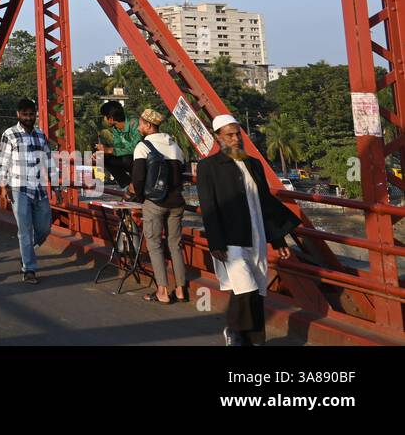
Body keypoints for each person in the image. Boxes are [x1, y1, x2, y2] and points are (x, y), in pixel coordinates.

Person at [198, 113, 300, 345]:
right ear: (218, 138)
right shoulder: (208, 167)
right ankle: (234, 332)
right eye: (230, 135)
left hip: (257, 235)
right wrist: (215, 242)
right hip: (230, 237)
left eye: (238, 134)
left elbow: (265, 202)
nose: (236, 139)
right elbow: (209, 206)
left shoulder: (253, 164)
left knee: (257, 288)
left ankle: (254, 337)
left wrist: (278, 239)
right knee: (245, 287)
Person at [128, 108, 188, 304]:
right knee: (175, 245)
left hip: (155, 203)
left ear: (148, 125)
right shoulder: (175, 146)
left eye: (140, 123)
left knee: (154, 245)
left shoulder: (143, 146)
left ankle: (162, 290)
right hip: (177, 202)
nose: (139, 127)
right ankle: (180, 290)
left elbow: (138, 178)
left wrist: (138, 198)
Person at [0, 98, 52, 284]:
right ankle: (29, 269)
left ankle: (26, 251)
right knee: (25, 229)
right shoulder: (10, 134)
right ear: (18, 114)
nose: (29, 118)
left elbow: (48, 160)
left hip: (39, 188)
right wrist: (2, 185)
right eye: (25, 114)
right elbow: (2, 161)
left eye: (31, 114)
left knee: (44, 228)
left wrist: (57, 184)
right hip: (18, 188)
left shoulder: (40, 135)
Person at [96, 100, 139, 188]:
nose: (103, 119)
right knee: (104, 157)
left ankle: (135, 185)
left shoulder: (134, 123)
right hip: (129, 160)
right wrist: (104, 152)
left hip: (141, 161)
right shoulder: (116, 129)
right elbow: (118, 148)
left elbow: (136, 149)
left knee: (126, 158)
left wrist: (110, 150)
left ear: (111, 119)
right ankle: (128, 185)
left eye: (104, 117)